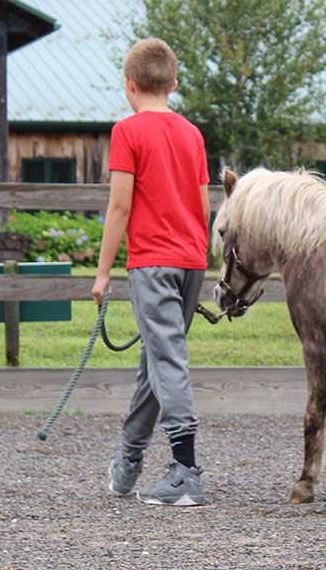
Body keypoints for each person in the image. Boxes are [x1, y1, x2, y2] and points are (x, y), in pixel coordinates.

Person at [93, 37, 211, 506]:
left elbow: (119, 206)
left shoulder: (127, 132)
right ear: (173, 84)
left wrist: (102, 274)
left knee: (166, 361)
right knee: (154, 363)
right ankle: (129, 461)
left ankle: (186, 471)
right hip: (190, 261)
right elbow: (203, 206)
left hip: (153, 263)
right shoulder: (192, 134)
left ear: (128, 84)